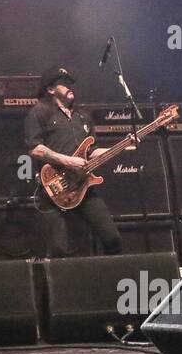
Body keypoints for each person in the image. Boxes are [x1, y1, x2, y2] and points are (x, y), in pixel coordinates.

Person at [24, 65, 124, 257]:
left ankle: (111, 284)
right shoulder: (39, 112)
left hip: (83, 186)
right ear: (50, 89)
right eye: (63, 83)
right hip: (53, 187)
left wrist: (120, 147)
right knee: (57, 249)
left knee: (112, 239)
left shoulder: (83, 116)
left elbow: (91, 151)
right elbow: (36, 149)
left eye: (70, 83)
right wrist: (68, 161)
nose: (70, 87)